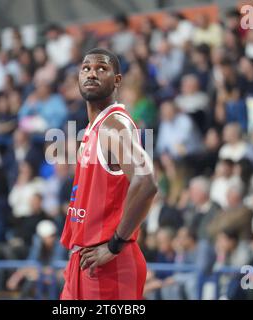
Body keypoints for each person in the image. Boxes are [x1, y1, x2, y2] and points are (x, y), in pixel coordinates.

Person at [59, 48, 157, 300]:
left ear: (117, 80)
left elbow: (146, 182)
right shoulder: (93, 128)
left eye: (102, 68)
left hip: (109, 263)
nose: (92, 73)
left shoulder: (114, 125)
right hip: (84, 261)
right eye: (86, 68)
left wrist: (115, 244)